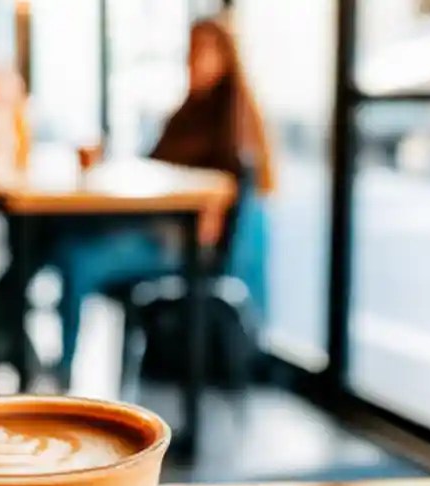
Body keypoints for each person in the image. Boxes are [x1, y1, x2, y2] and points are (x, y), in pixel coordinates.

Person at [48, 17, 274, 385]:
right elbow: (151, 168)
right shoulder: (185, 112)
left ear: (225, 58)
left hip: (178, 244)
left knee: (76, 259)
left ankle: (60, 377)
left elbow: (226, 197)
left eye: (201, 51)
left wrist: (208, 213)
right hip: (149, 228)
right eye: (190, 51)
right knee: (57, 233)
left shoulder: (234, 123)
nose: (192, 60)